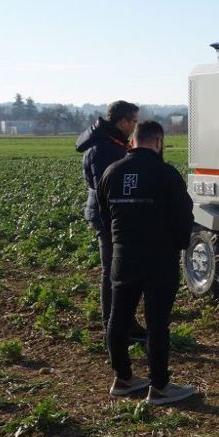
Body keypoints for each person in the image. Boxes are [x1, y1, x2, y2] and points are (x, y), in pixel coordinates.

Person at [99, 121, 196, 404]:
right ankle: (160, 386)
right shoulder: (166, 175)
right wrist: (179, 244)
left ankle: (123, 378)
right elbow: (183, 219)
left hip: (122, 256)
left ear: (133, 141)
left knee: (118, 318)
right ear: (158, 141)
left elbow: (106, 219)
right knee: (157, 324)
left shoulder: (111, 172)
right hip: (158, 260)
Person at [75, 101, 146, 344]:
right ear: (123, 121)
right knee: (111, 273)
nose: (135, 126)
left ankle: (126, 322)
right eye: (134, 121)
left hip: (117, 216)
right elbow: (105, 189)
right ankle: (112, 328)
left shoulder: (113, 142)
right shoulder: (103, 148)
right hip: (107, 219)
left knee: (125, 272)